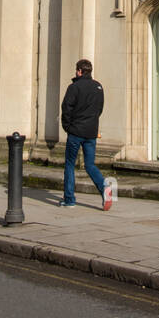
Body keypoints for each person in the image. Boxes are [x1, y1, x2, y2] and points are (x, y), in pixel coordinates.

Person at [59, 59, 114, 210]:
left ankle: (69, 199)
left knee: (70, 165)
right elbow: (99, 109)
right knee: (90, 165)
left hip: (76, 131)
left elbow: (66, 109)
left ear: (79, 71)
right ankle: (104, 189)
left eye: (77, 70)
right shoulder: (98, 87)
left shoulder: (74, 87)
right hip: (91, 132)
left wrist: (67, 127)